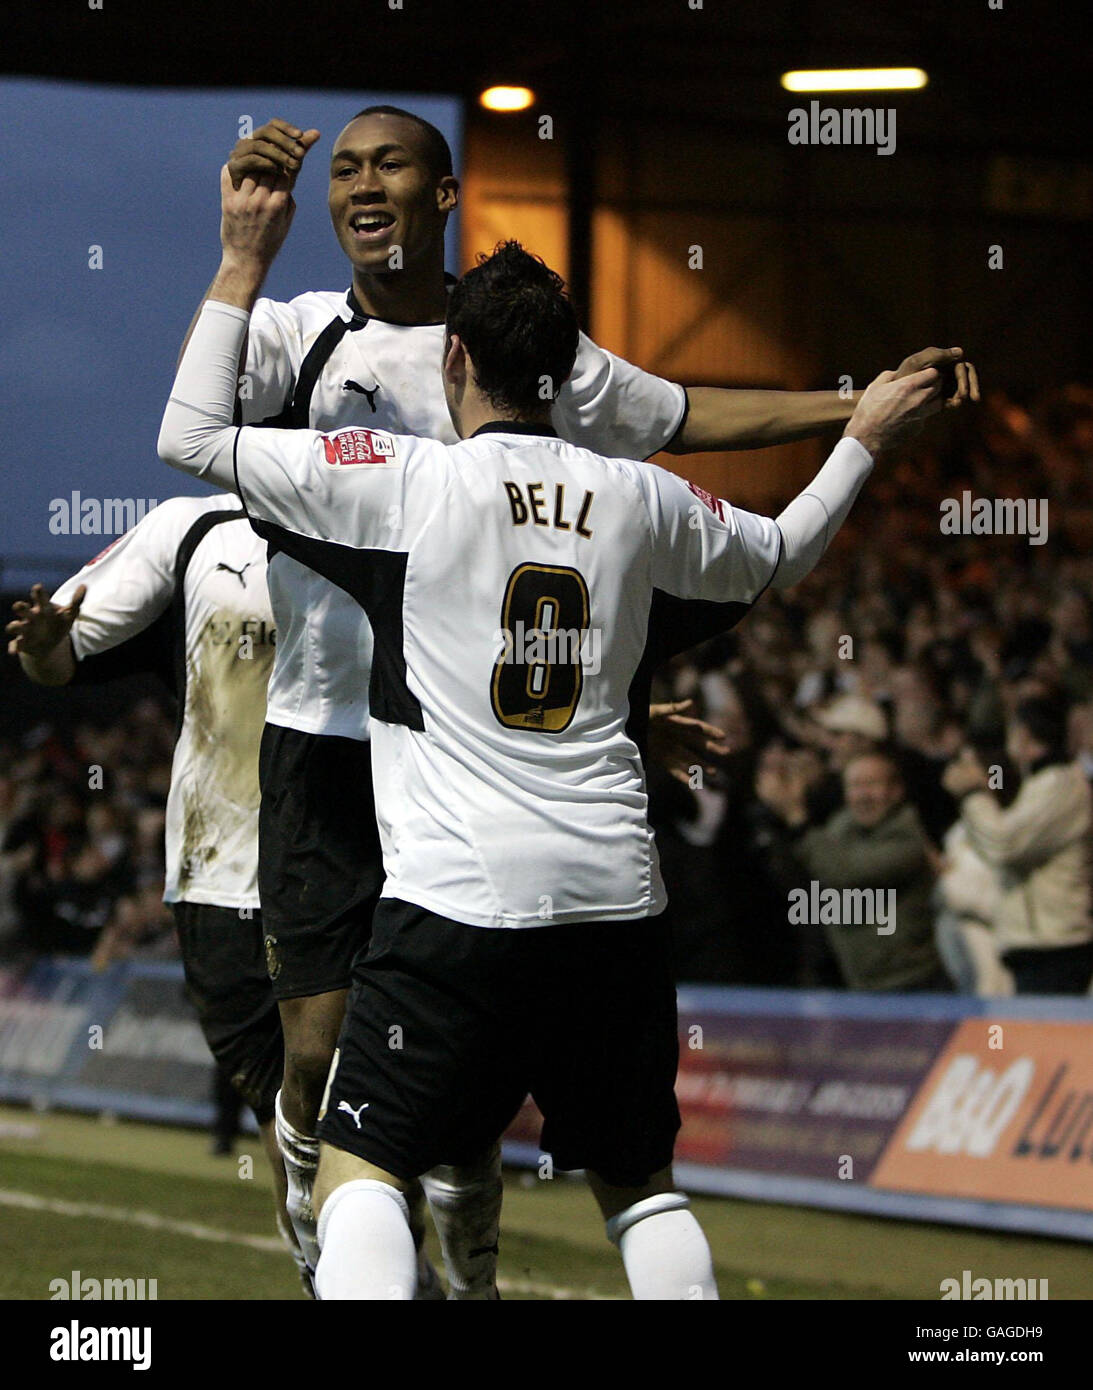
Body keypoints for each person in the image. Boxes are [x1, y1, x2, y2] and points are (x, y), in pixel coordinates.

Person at [180, 105, 978, 1290]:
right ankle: (332, 1213)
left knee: (393, 1129)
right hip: (368, 753)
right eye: (345, 167)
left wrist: (837, 405)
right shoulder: (306, 338)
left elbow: (191, 435)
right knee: (358, 1072)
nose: (362, 185)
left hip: (452, 813)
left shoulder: (419, 466)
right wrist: (863, 431)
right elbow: (765, 546)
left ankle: (427, 1254)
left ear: (444, 201)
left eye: (389, 163)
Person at [5, 498, 317, 1290]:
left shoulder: (382, 498)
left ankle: (422, 1265)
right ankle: (354, 1272)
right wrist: (43, 651)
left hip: (353, 876)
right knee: (292, 1128)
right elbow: (60, 658)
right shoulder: (191, 535)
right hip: (222, 879)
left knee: (359, 1121)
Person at [758, 749, 948, 991]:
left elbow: (843, 872)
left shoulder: (909, 839)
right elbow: (803, 874)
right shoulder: (840, 828)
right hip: (860, 986)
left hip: (914, 984)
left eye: (871, 784)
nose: (863, 795)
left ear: (896, 790)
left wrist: (795, 815)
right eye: (855, 786)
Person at [943, 697, 1093, 993]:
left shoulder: (1060, 784)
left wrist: (973, 792)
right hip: (1030, 944)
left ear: (1023, 734)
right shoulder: (1035, 786)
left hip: (1055, 947)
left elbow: (1003, 846)